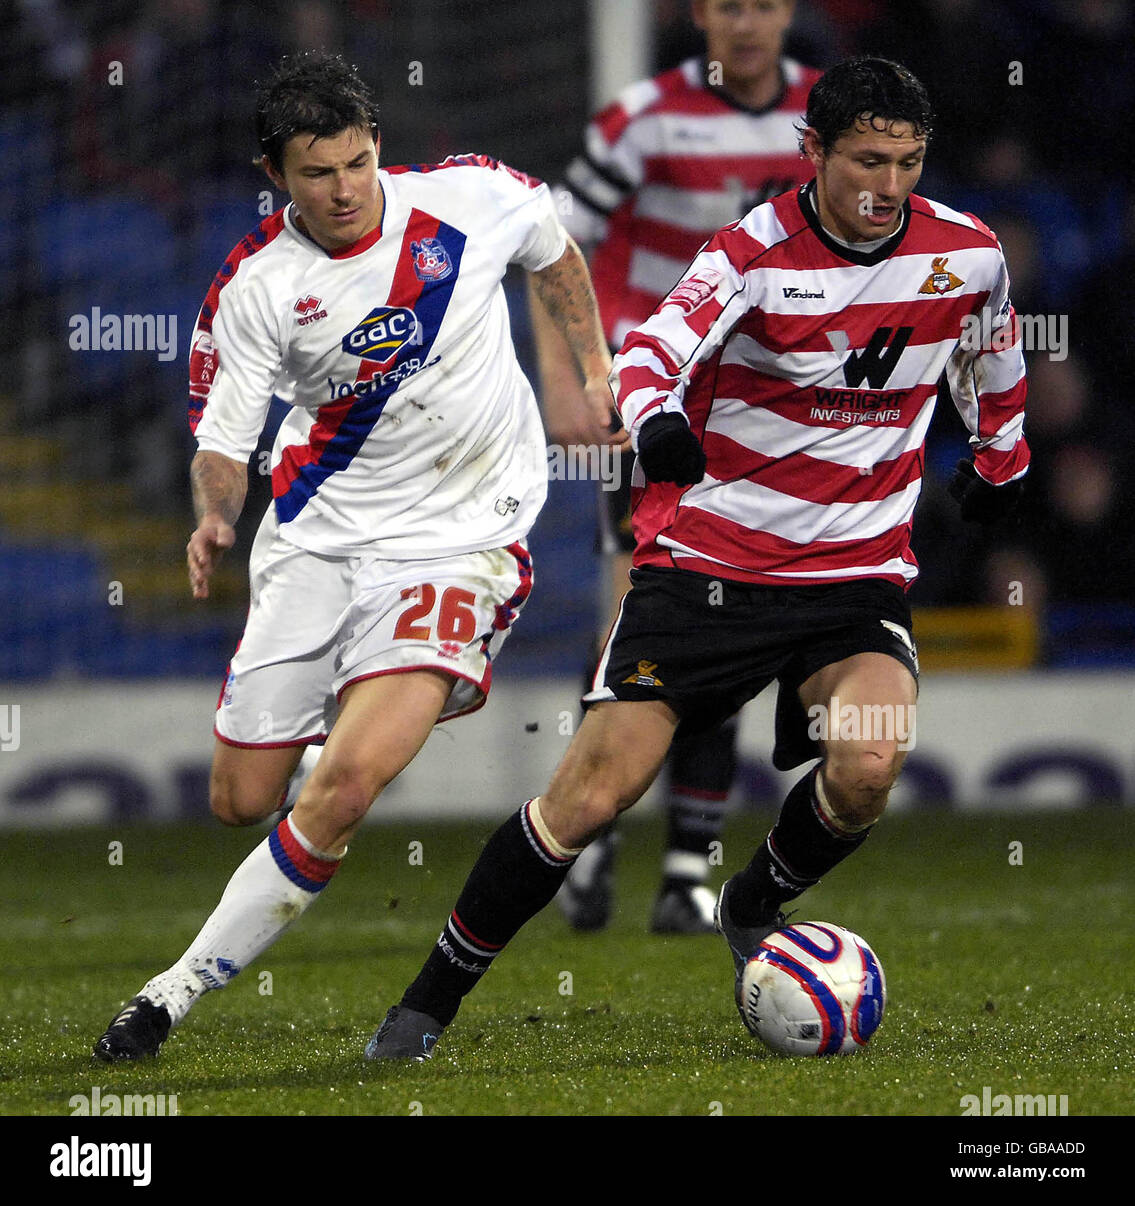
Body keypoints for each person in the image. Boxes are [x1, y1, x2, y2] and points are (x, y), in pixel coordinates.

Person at [367, 56, 1029, 1062]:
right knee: (588, 797)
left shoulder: (968, 253)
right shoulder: (751, 252)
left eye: (905, 161)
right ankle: (428, 998)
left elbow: (992, 354)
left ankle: (750, 902)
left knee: (869, 763)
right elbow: (646, 352)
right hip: (707, 565)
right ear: (812, 150)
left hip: (855, 574)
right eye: (864, 158)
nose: (885, 185)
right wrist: (654, 421)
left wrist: (999, 453)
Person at [93, 51, 624, 1062]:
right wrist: (214, 518)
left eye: (356, 162)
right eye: (315, 172)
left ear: (379, 144)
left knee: (341, 787)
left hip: (464, 544)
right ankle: (311, 729)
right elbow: (222, 442)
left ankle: (170, 993)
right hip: (319, 538)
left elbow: (553, 251)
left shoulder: (470, 199)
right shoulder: (256, 289)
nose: (343, 190)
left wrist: (592, 364)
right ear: (273, 174)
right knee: (241, 800)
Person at [530, 0, 820, 934]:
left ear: (786, 12)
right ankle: (585, 841)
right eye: (726, 6)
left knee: (732, 623)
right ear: (698, 14)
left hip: (758, 416)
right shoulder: (643, 119)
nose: (745, 25)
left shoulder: (821, 119)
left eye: (762, 6)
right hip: (650, 403)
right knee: (633, 624)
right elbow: (550, 244)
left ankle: (688, 872)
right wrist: (568, 377)